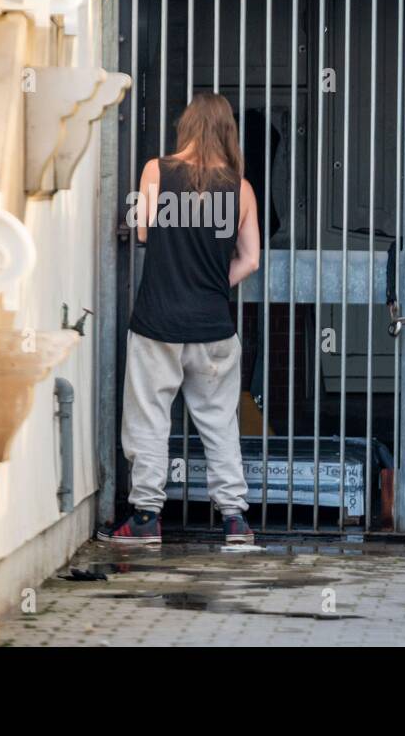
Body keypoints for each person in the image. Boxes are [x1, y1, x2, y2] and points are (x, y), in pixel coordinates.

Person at [98, 93, 261, 547]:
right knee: (219, 421)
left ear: (186, 126)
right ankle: (235, 521)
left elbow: (144, 230)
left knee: (149, 419)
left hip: (158, 323)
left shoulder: (156, 170)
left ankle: (146, 519)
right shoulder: (241, 189)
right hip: (213, 328)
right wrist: (212, 283)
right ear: (228, 131)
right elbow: (250, 260)